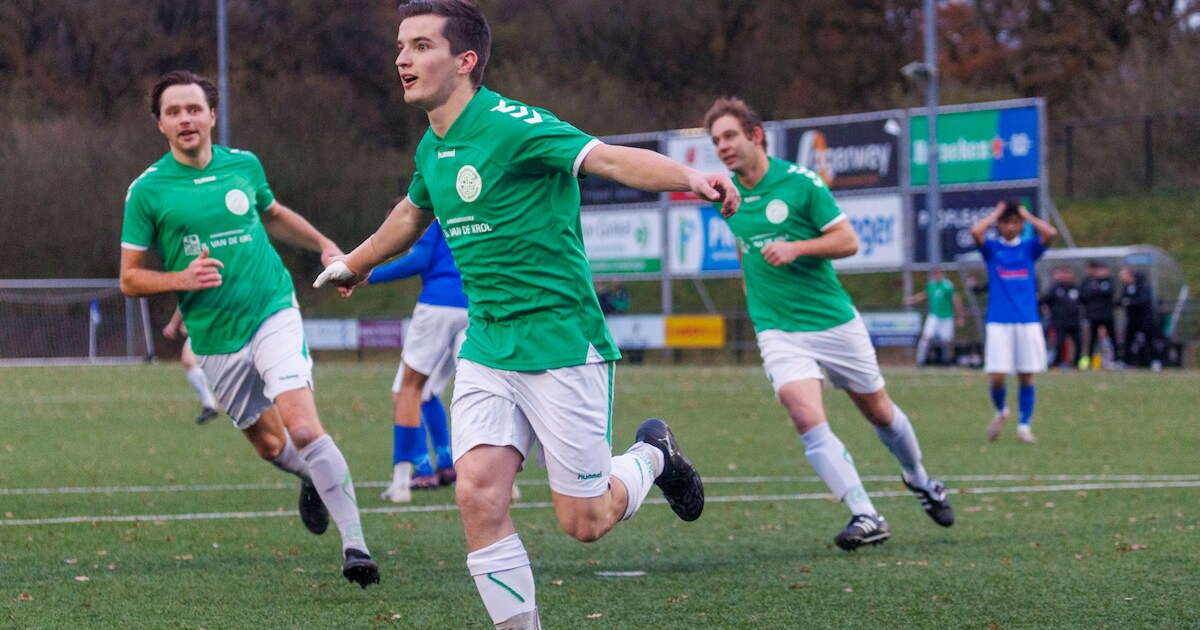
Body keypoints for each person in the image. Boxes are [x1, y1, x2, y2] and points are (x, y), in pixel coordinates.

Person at [314, 2, 738, 626]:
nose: (402, 58)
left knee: (584, 522)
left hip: (561, 342)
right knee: (477, 492)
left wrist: (691, 179)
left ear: (465, 61)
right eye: (400, 46)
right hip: (487, 345)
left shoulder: (514, 125)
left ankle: (653, 456)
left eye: (421, 45)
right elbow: (411, 213)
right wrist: (356, 261)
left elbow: (609, 158)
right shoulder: (435, 145)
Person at [118, 70, 379, 588]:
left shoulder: (244, 165)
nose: (186, 119)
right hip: (215, 336)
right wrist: (179, 278)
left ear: (212, 115)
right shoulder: (147, 191)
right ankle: (311, 477)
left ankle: (357, 548)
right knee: (267, 444)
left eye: (194, 108)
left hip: (272, 309)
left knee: (303, 427)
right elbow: (128, 278)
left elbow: (273, 214)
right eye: (174, 112)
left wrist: (326, 246)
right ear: (161, 126)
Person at [704, 96, 954, 552]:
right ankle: (865, 512)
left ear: (755, 135)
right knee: (803, 414)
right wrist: (755, 299)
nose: (721, 146)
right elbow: (746, 253)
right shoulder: (729, 196)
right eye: (715, 140)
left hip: (831, 321)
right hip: (777, 328)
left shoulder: (801, 184)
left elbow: (848, 240)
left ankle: (919, 478)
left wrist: (797, 248)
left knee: (878, 411)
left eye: (729, 136)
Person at [366, 219, 467, 501]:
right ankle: (502, 480)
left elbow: (420, 259)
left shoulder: (435, 213)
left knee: (405, 391)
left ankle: (402, 483)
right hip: (474, 306)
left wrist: (369, 274)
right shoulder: (472, 207)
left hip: (438, 305)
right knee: (454, 390)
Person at [970, 199, 1058, 443]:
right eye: (1006, 222)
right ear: (999, 224)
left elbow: (1050, 233)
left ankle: (1024, 426)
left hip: (1027, 320)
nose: (1010, 227)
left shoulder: (1029, 247)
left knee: (1026, 375)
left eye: (1015, 222)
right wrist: (995, 213)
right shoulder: (992, 249)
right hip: (998, 321)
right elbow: (976, 232)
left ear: (1021, 224)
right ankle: (1001, 411)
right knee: (997, 376)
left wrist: (1027, 215)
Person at [162, 307, 220, 424]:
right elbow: (185, 299)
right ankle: (210, 405)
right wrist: (176, 323)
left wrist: (194, 322)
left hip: (217, 323)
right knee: (189, 360)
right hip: (204, 324)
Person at [904, 267, 965, 366]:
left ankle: (948, 361)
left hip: (946, 317)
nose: (936, 276)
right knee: (926, 338)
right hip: (934, 316)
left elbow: (956, 300)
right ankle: (920, 362)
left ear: (941, 274)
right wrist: (912, 300)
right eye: (934, 274)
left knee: (948, 341)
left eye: (937, 274)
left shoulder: (947, 285)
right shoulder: (931, 285)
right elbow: (924, 295)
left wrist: (960, 316)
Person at [1118, 266, 1162, 371]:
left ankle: (1155, 361)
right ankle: (1125, 362)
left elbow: (1143, 300)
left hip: (1144, 319)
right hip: (1132, 319)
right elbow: (1121, 300)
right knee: (1128, 340)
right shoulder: (1126, 288)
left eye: (1123, 275)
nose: (1122, 278)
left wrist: (1129, 302)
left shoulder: (1143, 286)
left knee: (1149, 340)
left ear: (1130, 275)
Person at [1039, 266, 1083, 369]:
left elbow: (1083, 300)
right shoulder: (1055, 288)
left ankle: (1076, 364)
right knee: (1059, 343)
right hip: (1059, 321)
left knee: (1079, 342)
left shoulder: (1075, 288)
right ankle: (1056, 364)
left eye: (1068, 274)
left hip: (1074, 321)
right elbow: (1044, 300)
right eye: (1064, 274)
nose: (1066, 276)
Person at [1078, 260, 1117, 370]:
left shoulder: (1109, 281)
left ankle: (1117, 360)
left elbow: (1109, 292)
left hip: (1107, 315)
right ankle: (1089, 361)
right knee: (1092, 339)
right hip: (1093, 315)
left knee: (1112, 338)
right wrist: (1097, 291)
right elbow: (1084, 296)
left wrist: (1096, 291)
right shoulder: (1088, 281)